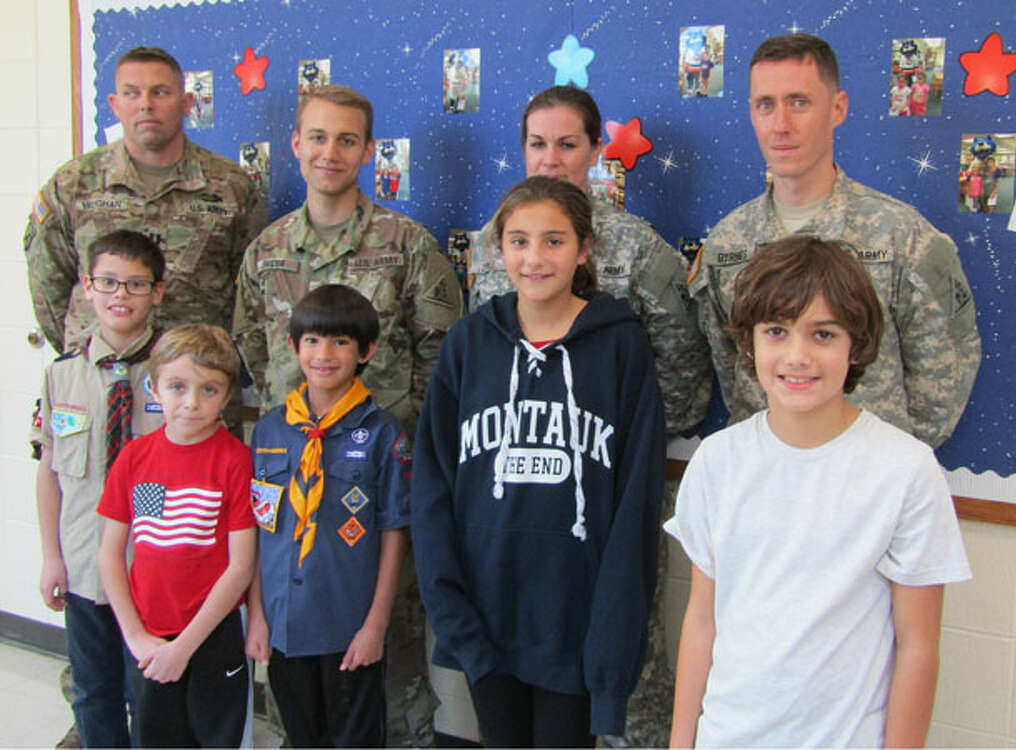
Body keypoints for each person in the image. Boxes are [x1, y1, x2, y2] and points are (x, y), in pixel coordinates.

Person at [468, 85, 710, 746]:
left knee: (627, 657)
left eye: (567, 144)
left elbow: (683, 372)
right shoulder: (492, 243)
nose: (550, 159)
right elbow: (480, 363)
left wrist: (620, 436)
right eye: (537, 144)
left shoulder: (636, 247)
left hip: (608, 483)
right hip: (519, 486)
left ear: (597, 149)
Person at [666, 236, 971, 747]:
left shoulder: (906, 470)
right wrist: (681, 742)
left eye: (823, 334)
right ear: (750, 343)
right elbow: (701, 620)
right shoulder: (718, 461)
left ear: (857, 345)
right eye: (776, 331)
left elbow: (917, 647)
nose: (797, 356)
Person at [232, 83, 459, 745]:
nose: (330, 151)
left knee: (392, 655)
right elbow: (253, 346)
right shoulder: (266, 251)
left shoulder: (407, 245)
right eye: (318, 137)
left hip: (379, 481)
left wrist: (401, 440)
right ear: (296, 145)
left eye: (347, 140)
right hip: (296, 484)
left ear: (367, 151)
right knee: (297, 668)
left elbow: (443, 357)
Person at [411, 176, 665, 747]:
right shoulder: (468, 344)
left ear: (584, 248)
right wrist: (453, 616)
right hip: (484, 623)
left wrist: (610, 642)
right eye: (519, 241)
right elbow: (431, 489)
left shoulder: (621, 347)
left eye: (554, 241)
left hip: (577, 628)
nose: (534, 258)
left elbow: (636, 505)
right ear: (499, 249)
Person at [693, 32, 980, 449]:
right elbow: (731, 365)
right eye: (766, 105)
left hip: (871, 471)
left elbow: (945, 375)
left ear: (838, 108)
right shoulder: (726, 244)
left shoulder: (902, 236)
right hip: (763, 468)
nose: (781, 125)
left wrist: (892, 457)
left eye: (799, 102)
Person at [245, 285, 408, 747]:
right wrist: (257, 616)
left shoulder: (382, 433)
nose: (324, 355)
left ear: (366, 351)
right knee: (302, 737)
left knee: (356, 739)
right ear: (292, 346)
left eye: (340, 342)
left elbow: (393, 531)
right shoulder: (270, 430)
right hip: (284, 624)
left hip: (347, 625)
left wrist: (375, 626)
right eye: (312, 341)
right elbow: (259, 529)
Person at [25, 46, 266, 354]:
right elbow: (48, 285)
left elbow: (252, 290)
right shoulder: (73, 184)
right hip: (99, 368)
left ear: (186, 103)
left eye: (160, 92)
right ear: (114, 105)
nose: (146, 105)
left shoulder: (231, 186)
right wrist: (82, 351)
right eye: (132, 93)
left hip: (194, 371)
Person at [32, 230, 166, 748]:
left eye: (136, 284)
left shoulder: (178, 375)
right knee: (92, 694)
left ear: (158, 291)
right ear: (87, 286)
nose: (120, 295)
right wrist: (52, 557)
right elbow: (50, 473)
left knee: (150, 695)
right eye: (108, 282)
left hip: (152, 571)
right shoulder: (62, 376)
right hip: (85, 566)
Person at [96, 324, 256, 748]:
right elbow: (111, 555)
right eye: (177, 387)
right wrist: (135, 636)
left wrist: (182, 649)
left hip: (214, 635)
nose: (191, 403)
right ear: (153, 387)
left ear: (227, 396)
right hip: (149, 636)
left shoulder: (236, 461)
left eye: (209, 389)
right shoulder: (134, 457)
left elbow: (240, 567)